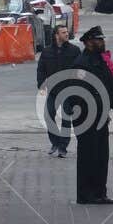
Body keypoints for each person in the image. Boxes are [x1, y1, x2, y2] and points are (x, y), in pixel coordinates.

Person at [71, 25, 113, 205]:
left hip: (100, 117)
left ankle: (99, 192)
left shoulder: (99, 60)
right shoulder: (82, 63)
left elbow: (108, 84)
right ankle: (86, 194)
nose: (102, 42)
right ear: (89, 42)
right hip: (87, 118)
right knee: (88, 157)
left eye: (102, 39)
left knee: (101, 156)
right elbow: (79, 94)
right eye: (99, 40)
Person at [36, 22, 80, 157]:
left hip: (68, 90)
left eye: (67, 32)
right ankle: (55, 142)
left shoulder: (74, 50)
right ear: (56, 35)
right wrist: (41, 85)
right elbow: (41, 69)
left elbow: (80, 70)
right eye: (63, 32)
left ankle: (63, 147)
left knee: (67, 119)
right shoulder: (47, 51)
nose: (67, 34)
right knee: (48, 116)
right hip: (53, 90)